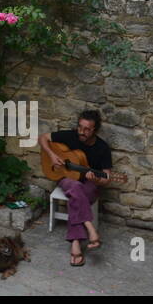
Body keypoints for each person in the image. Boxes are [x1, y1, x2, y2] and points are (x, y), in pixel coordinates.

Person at [38, 110, 112, 267]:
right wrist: (51, 155)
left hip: (89, 184)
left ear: (95, 130)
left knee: (77, 193)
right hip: (65, 178)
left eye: (87, 129)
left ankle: (76, 243)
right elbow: (43, 138)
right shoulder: (70, 135)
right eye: (80, 127)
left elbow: (107, 178)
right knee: (75, 186)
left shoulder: (102, 148)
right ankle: (90, 228)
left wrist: (97, 178)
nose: (82, 132)